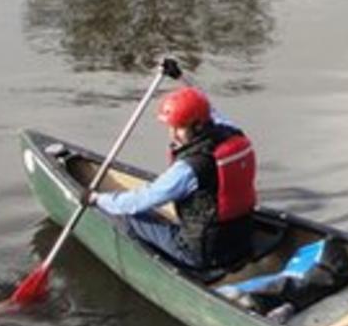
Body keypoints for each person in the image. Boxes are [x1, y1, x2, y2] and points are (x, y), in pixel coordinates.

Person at [87, 85, 257, 270]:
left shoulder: (189, 169)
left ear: (198, 125)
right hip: (242, 239)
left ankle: (147, 266)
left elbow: (140, 200)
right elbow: (210, 108)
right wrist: (180, 78)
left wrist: (98, 199)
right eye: (171, 127)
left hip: (200, 253)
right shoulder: (232, 132)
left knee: (126, 215)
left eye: (180, 128)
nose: (173, 135)